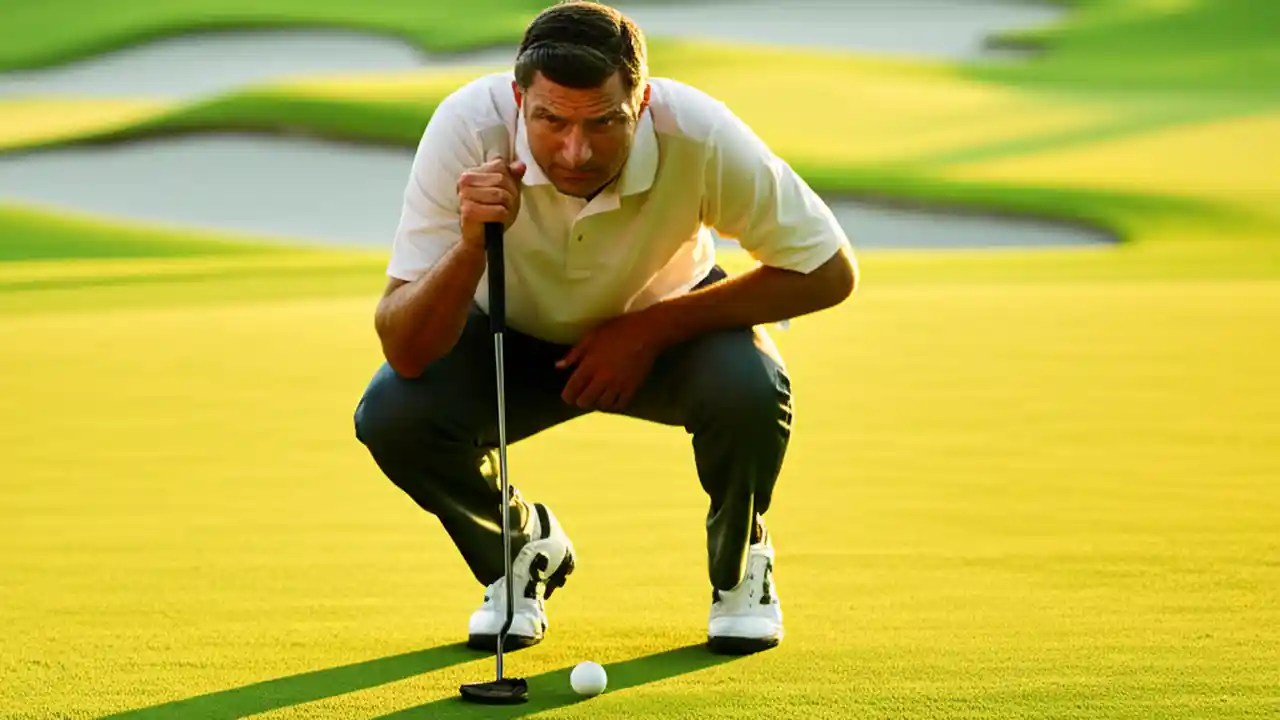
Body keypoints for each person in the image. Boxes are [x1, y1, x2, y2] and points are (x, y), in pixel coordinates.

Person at [353, 0, 856, 655]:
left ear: (642, 103)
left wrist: (647, 331)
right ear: (517, 100)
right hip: (508, 338)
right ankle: (519, 551)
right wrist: (472, 245)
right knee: (391, 415)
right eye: (550, 120)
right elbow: (406, 349)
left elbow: (827, 268)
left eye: (605, 123)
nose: (576, 150)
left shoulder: (697, 133)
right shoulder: (468, 128)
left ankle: (741, 569)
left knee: (751, 391)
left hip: (672, 335)